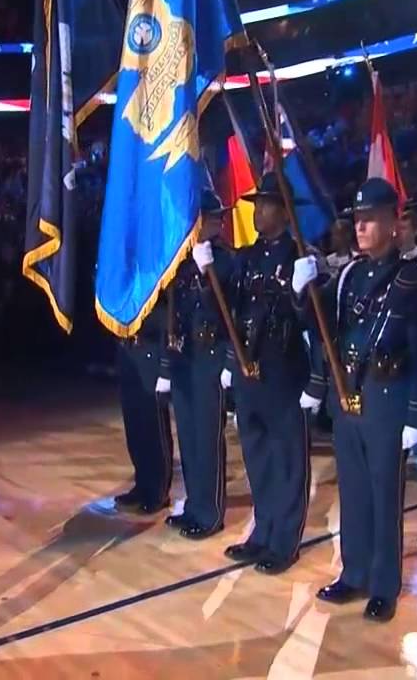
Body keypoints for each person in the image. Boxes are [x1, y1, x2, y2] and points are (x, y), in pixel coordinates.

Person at [293, 178, 417, 622]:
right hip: (349, 392)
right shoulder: (350, 276)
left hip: (387, 395)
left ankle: (384, 584)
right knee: (353, 491)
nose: (361, 227)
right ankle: (353, 573)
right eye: (357, 219)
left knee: (383, 493)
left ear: (395, 223)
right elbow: (326, 334)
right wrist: (304, 295)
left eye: (371, 219)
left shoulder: (410, 278)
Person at [203, 174, 311, 574]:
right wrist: (207, 275)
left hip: (283, 369)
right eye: (256, 203)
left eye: (265, 204)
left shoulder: (299, 256)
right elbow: (223, 311)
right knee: (257, 455)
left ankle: (284, 541)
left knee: (287, 458)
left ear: (284, 211)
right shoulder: (246, 258)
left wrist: (304, 288)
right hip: (249, 367)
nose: (257, 210)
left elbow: (311, 321)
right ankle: (263, 532)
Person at [157, 191, 232, 540]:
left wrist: (209, 272)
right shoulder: (182, 263)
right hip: (186, 357)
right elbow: (173, 313)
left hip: (211, 356)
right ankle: (193, 504)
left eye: (209, 219)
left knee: (207, 437)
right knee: (187, 435)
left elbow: (228, 311)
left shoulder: (227, 261)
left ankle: (211, 511)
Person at [113, 277, 175, 516]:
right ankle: (142, 483)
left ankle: (157, 490)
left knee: (152, 419)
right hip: (128, 336)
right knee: (133, 417)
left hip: (150, 337)